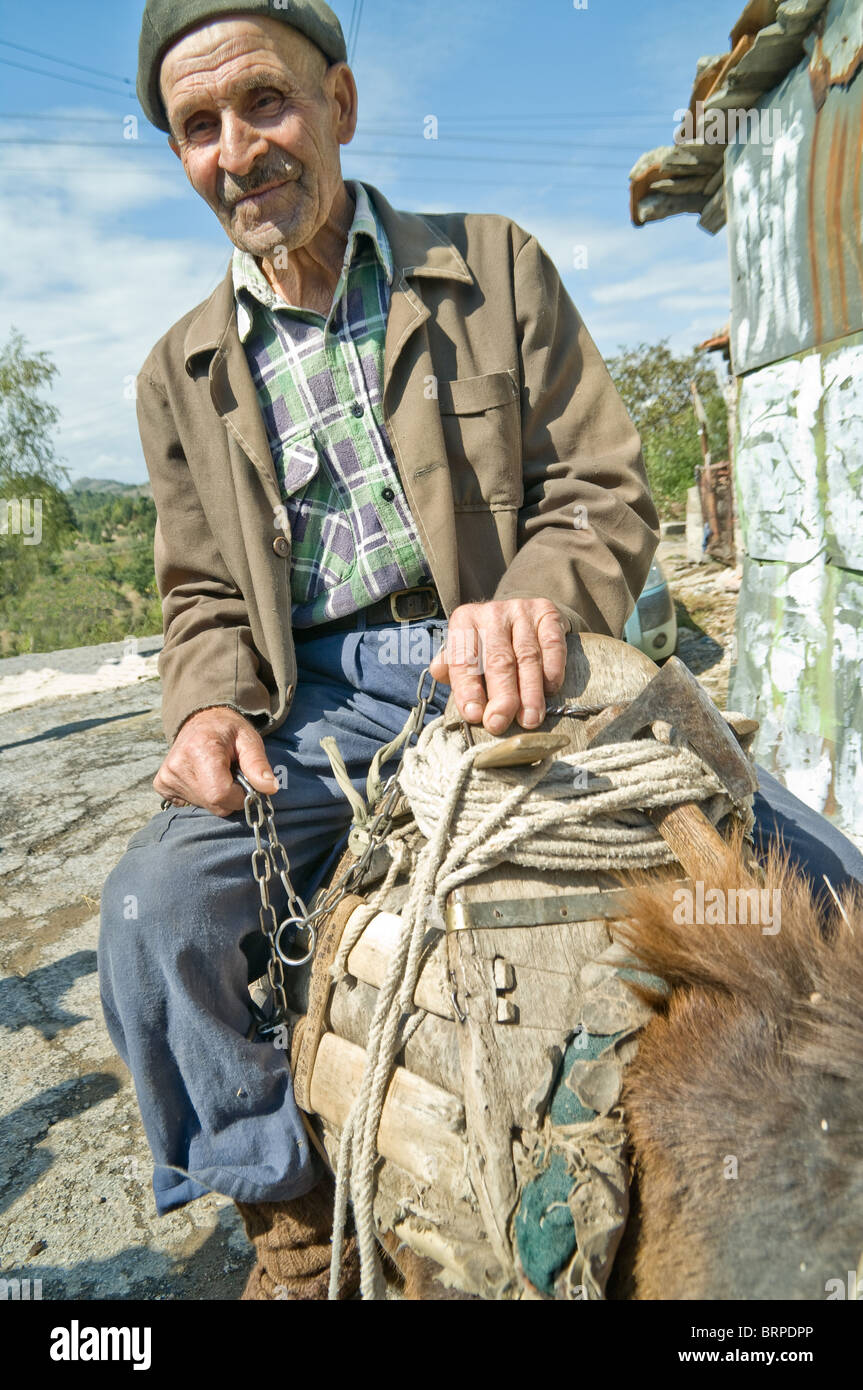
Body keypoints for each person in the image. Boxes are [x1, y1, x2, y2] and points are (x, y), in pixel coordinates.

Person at [99, 0, 863, 1301]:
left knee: (820, 876)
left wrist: (542, 595)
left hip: (524, 655)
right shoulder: (179, 372)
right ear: (178, 150)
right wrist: (207, 709)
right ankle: (288, 1219)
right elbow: (203, 595)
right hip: (320, 702)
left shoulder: (493, 267)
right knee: (147, 918)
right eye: (199, 126)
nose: (240, 148)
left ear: (338, 106)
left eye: (267, 105)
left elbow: (603, 485)